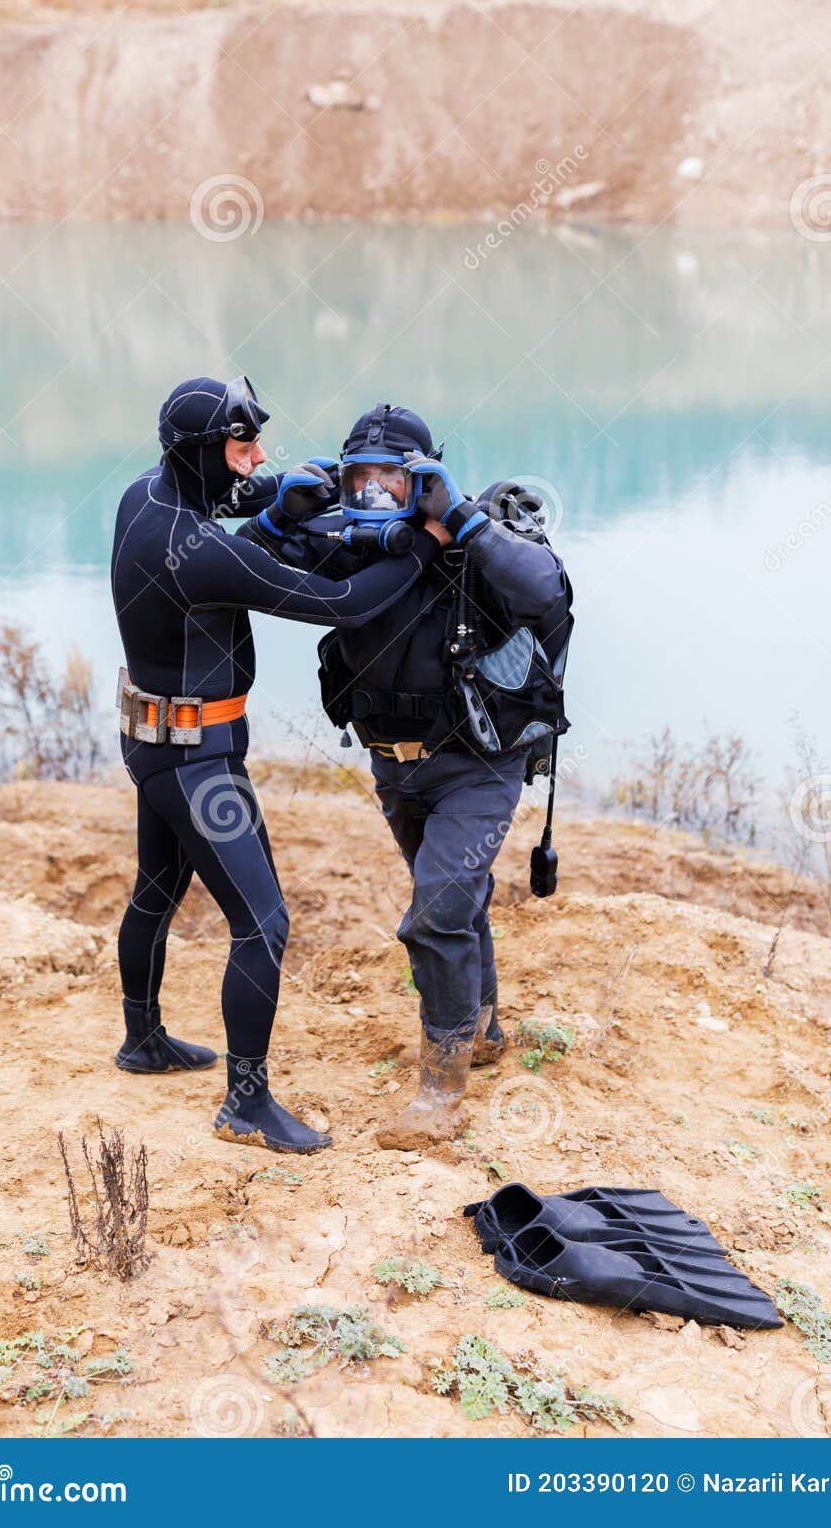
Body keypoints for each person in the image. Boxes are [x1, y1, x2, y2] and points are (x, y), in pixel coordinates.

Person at [110, 377, 446, 1154]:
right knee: (263, 925)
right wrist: (426, 538)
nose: (258, 457)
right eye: (241, 447)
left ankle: (142, 1041)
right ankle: (246, 1104)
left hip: (151, 742)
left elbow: (224, 513)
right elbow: (343, 602)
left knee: (156, 892)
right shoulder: (202, 557)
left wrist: (273, 503)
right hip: (200, 759)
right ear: (201, 453)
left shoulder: (142, 499)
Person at [241, 404, 572, 1150]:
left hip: (478, 765)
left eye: (395, 476)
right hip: (393, 764)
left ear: (424, 473)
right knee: (454, 900)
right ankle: (481, 1029)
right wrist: (281, 518)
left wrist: (457, 515)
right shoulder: (345, 547)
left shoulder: (474, 540)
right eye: (361, 477)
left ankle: (441, 1089)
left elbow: (544, 591)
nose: (377, 492)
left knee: (436, 909)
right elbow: (241, 571)